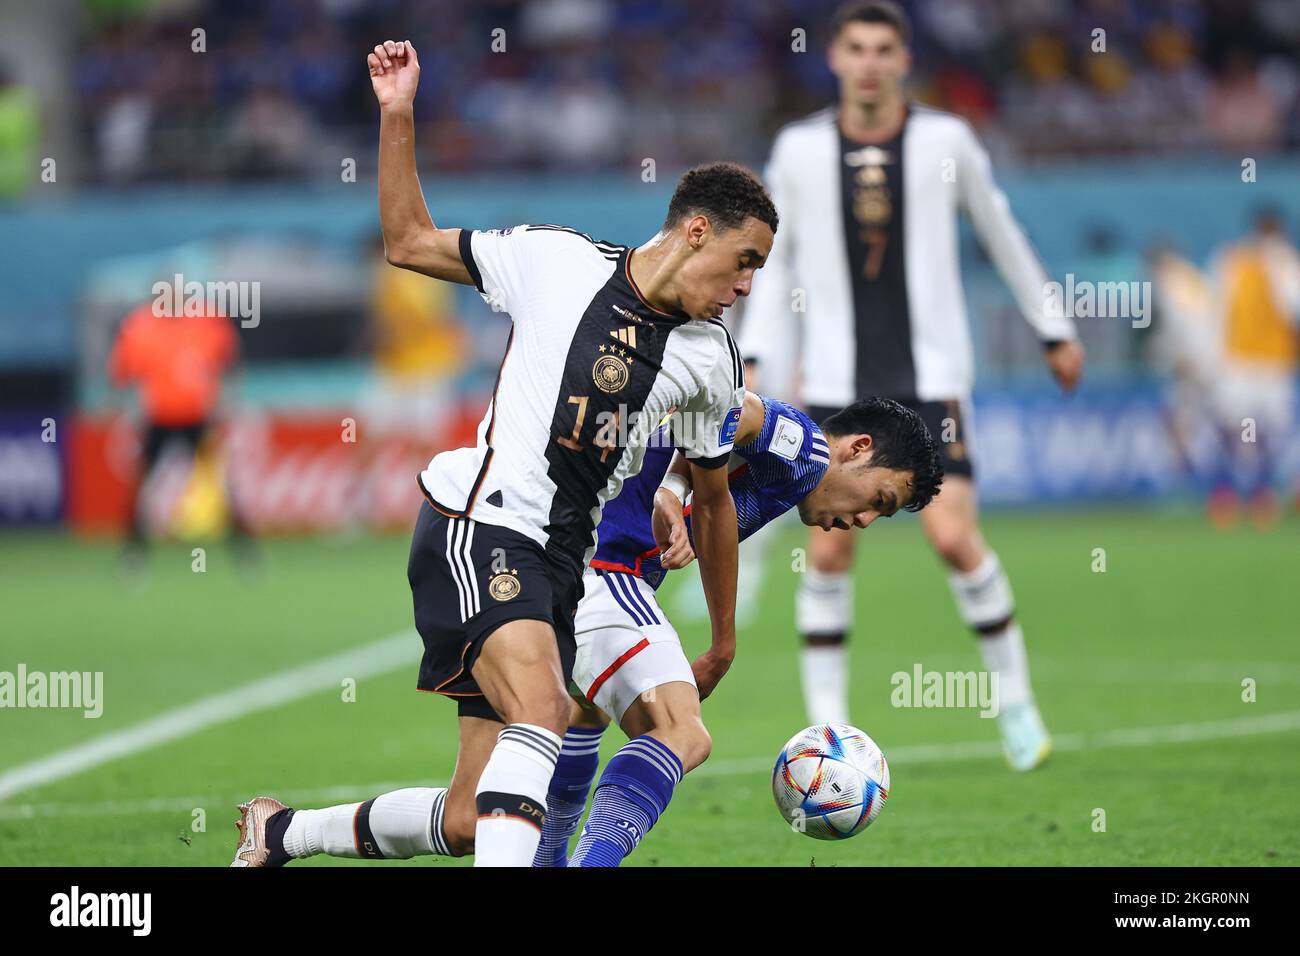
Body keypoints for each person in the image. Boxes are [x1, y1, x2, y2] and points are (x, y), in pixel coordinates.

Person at [232, 39, 776, 867]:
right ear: (697, 231)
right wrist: (398, 115)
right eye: (744, 263)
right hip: (482, 522)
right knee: (545, 713)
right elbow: (410, 241)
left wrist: (725, 637)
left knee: (468, 819)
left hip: (561, 567)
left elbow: (712, 497)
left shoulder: (710, 360)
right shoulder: (554, 260)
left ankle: (283, 834)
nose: (745, 287)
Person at [738, 1, 1084, 771]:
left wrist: (1053, 326)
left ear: (903, 60)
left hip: (930, 380)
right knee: (826, 556)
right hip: (834, 381)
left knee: (954, 536)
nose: (868, 62)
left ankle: (1017, 702)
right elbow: (773, 261)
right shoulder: (797, 149)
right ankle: (828, 736)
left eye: (883, 49)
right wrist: (756, 353)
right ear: (834, 58)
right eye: (855, 47)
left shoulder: (946, 140)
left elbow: (999, 228)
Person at [535, 393, 942, 867]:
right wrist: (671, 488)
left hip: (565, 555)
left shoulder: (790, 477)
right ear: (858, 448)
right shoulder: (807, 448)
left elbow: (710, 440)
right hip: (600, 565)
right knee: (681, 732)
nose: (866, 521)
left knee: (584, 711)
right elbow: (733, 406)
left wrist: (673, 484)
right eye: (879, 499)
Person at [108, 300, 254, 569]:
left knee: (220, 483)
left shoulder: (205, 322)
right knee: (142, 486)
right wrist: (128, 408)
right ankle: (134, 553)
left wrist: (226, 399)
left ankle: (245, 550)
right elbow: (121, 373)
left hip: (197, 419)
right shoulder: (141, 327)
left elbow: (231, 361)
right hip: (159, 419)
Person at [1205, 208, 1300, 528]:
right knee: (1232, 427)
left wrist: (1280, 269)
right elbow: (1216, 310)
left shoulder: (1287, 265)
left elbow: (1293, 308)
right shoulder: (1232, 262)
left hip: (1274, 363)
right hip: (1238, 361)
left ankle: (1262, 494)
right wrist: (1214, 358)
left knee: (1270, 433)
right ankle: (1225, 492)